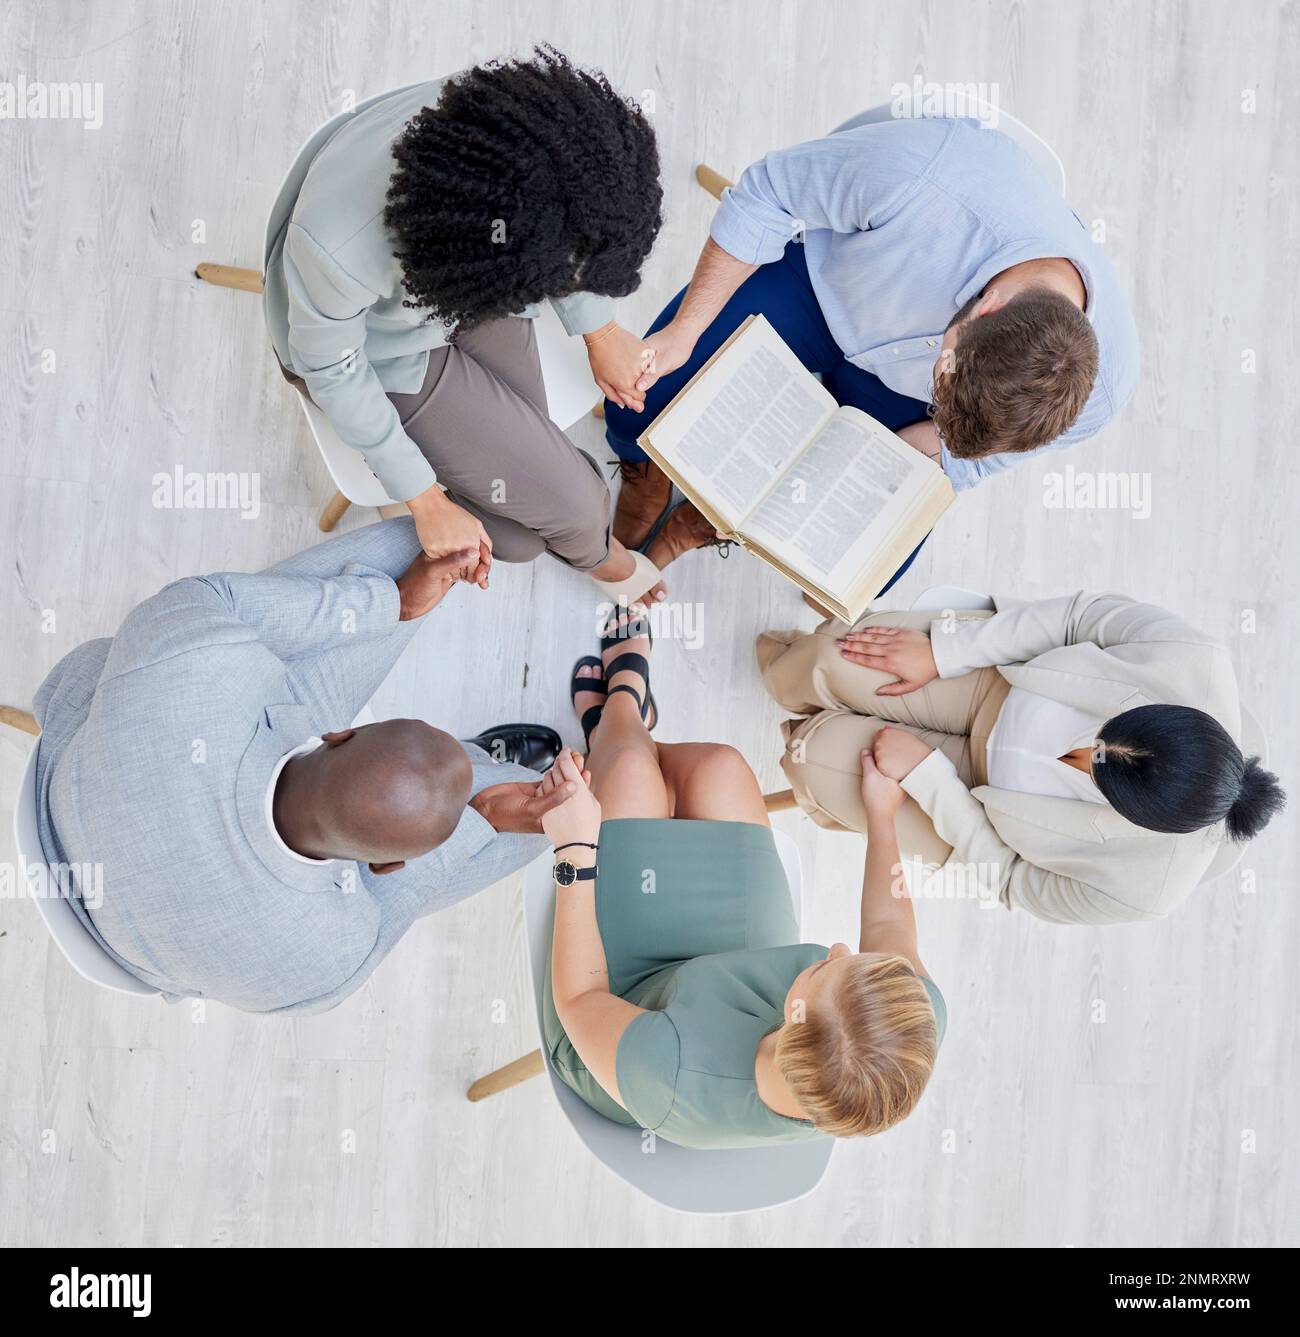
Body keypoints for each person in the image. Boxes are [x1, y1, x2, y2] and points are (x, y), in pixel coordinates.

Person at [29, 519, 582, 1013]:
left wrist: (389, 603)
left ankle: (461, 776)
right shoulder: (326, 961)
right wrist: (487, 818)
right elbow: (397, 900)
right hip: (114, 864)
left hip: (92, 776)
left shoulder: (190, 657)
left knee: (421, 548)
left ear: (340, 731)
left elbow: (215, 599)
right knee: (543, 821)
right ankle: (478, 770)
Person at [602, 113, 1139, 589]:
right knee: (641, 396)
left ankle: (707, 522)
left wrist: (841, 479)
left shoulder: (1099, 394)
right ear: (988, 308)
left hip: (908, 406)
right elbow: (767, 193)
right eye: (943, 371)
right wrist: (686, 330)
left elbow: (965, 458)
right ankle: (646, 476)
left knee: (864, 566)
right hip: (821, 288)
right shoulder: (927, 176)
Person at [263, 47, 666, 605]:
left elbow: (570, 214)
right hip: (377, 354)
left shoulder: (513, 127)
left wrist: (601, 331)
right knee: (538, 530)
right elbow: (330, 369)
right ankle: (603, 556)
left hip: (472, 279)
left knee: (527, 532)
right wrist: (424, 499)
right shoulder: (339, 248)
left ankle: (585, 539)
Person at [536, 611, 945, 1149]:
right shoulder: (905, 1021)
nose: (840, 948)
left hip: (620, 1006)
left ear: (789, 1023)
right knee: (721, 767)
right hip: (734, 965)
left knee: (633, 769)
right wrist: (881, 814)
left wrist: (574, 854)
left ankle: (622, 711)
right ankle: (618, 727)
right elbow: (890, 927)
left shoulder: (675, 1074)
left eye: (828, 968)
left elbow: (579, 997)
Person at [759, 591, 1286, 925]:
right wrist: (945, 652)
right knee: (824, 660)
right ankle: (794, 676)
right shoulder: (1192, 657)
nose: (1080, 752)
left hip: (975, 812)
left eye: (1094, 771)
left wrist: (929, 779)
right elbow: (1076, 618)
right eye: (1103, 734)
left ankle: (808, 736)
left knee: (812, 758)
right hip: (997, 682)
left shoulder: (1142, 892)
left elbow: (1011, 881)